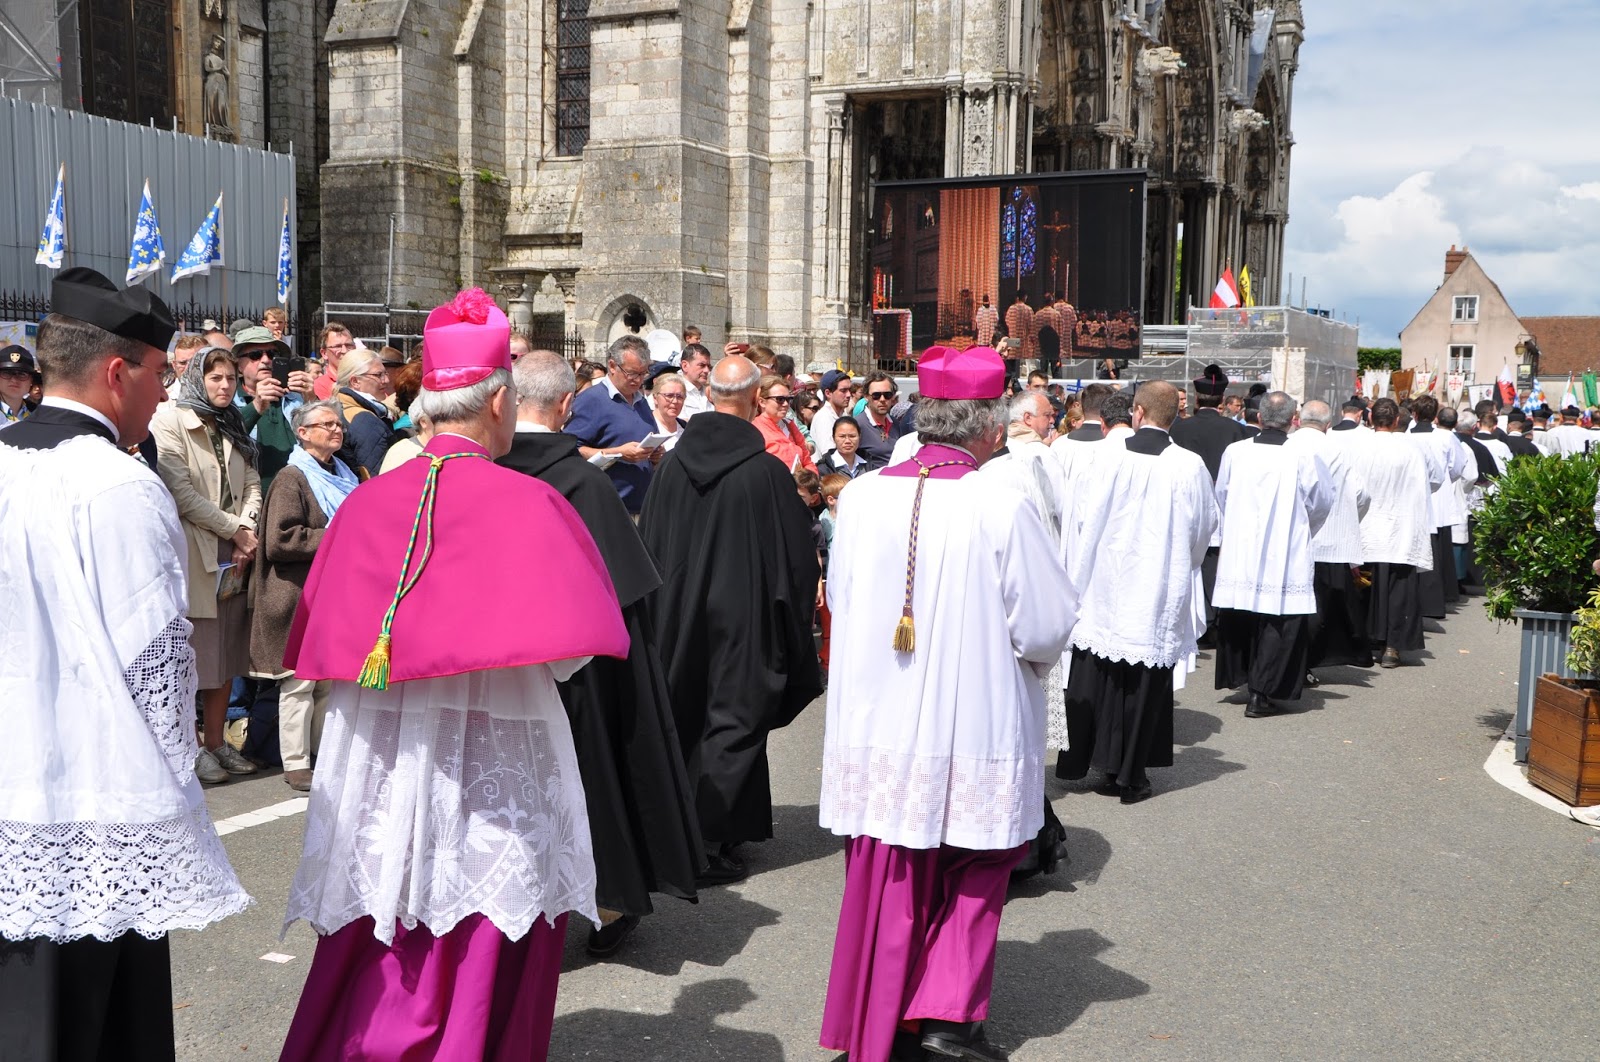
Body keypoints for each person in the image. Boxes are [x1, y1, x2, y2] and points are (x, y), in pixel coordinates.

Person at [277, 289, 629, 1060]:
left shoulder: (366, 506)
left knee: (384, 920)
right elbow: (568, 655)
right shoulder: (531, 504)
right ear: (499, 400)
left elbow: (326, 647)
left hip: (387, 770)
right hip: (493, 777)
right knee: (483, 922)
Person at [0, 267, 250, 1061]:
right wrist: (172, 782)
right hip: (93, 808)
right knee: (94, 1025)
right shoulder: (120, 484)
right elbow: (157, 671)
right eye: (160, 372)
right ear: (118, 371)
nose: (163, 392)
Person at [818, 345, 1075, 1062]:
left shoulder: (863, 495)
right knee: (977, 862)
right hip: (974, 714)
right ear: (990, 426)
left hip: (880, 718)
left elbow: (838, 598)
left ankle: (885, 1013)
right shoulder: (1001, 502)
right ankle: (945, 1019)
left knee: (893, 864)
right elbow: (1046, 625)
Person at [499, 351, 704, 959]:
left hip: (498, 666)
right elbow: (623, 596)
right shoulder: (585, 485)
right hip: (579, 670)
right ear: (567, 406)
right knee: (594, 776)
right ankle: (608, 899)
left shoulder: (483, 471)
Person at [639, 355, 823, 885]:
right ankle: (709, 837)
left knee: (687, 710)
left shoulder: (672, 464)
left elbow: (650, 541)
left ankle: (690, 828)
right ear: (751, 399)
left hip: (676, 613)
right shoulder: (765, 473)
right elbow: (793, 560)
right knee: (734, 718)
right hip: (743, 619)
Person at [1057, 380, 1216, 803]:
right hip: (1156, 583)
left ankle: (1088, 761)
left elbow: (1081, 517)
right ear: (1175, 415)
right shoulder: (1189, 465)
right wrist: (1189, 563)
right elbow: (1203, 528)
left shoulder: (1104, 459)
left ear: (1138, 413)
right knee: (1143, 679)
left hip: (1106, 580)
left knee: (1099, 672)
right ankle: (1129, 774)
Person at [150, 347, 263, 784]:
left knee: (226, 653)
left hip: (234, 551)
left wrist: (246, 530)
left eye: (231, 379)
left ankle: (216, 742)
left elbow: (252, 482)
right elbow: (180, 491)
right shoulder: (170, 420)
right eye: (216, 378)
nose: (225, 386)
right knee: (193, 656)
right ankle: (190, 746)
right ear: (198, 378)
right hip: (196, 551)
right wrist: (235, 528)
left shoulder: (232, 422)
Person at [250, 399, 357, 792]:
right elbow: (280, 540)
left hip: (332, 592)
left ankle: (323, 756)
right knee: (298, 682)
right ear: (303, 432)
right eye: (325, 424)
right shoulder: (291, 477)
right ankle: (295, 763)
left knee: (327, 679)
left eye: (338, 424)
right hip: (297, 595)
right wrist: (336, 535)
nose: (336, 430)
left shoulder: (344, 473)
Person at [1213, 392, 1333, 717]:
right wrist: (1302, 528)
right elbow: (1321, 501)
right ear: (1294, 419)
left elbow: (1221, 495)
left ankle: (1245, 680)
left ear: (1260, 418)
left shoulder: (1235, 452)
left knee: (1245, 613)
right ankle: (1261, 692)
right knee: (1276, 620)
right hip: (1284, 547)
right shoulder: (1303, 454)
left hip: (1242, 548)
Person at [1285, 400, 1374, 673]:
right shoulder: (1337, 449)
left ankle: (1293, 663)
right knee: (1321, 605)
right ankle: (1313, 660)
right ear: (1327, 425)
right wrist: (1350, 524)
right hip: (1330, 540)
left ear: (1298, 419)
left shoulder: (1287, 445)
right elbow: (1361, 494)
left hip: (1290, 538)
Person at [1359, 398, 1439, 667]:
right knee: (1398, 590)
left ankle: (1369, 641)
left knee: (1368, 590)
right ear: (1395, 421)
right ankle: (1392, 646)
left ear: (1371, 419)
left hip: (1367, 528)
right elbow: (1424, 488)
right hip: (1400, 528)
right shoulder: (1411, 449)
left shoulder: (1359, 447)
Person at [566, 336, 663, 514]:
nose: (638, 380)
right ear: (612, 366)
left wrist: (655, 454)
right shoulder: (591, 400)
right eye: (632, 373)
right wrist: (618, 453)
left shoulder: (641, 402)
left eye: (643, 374)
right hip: (608, 510)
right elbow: (571, 450)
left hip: (642, 508)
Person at [1404, 395, 1466, 618]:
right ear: (1435, 416)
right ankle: (1434, 602)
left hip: (1412, 497)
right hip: (1438, 497)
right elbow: (1458, 466)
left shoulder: (1404, 436)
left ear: (1415, 414)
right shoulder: (1446, 437)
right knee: (1436, 551)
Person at [232, 324, 313, 494]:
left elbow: (335, 435)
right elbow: (226, 436)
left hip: (300, 492)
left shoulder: (296, 396)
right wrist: (256, 406)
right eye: (255, 355)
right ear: (238, 365)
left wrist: (312, 398)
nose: (266, 360)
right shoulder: (229, 399)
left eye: (272, 354)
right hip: (252, 496)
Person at [332, 349, 400, 478]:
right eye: (378, 375)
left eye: (385, 373)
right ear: (355, 381)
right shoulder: (366, 420)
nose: (385, 380)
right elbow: (374, 477)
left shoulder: (338, 406)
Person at [755, 373, 818, 473]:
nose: (785, 404)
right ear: (762, 402)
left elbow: (807, 462)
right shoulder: (755, 430)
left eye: (788, 399)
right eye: (780, 399)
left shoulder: (790, 425)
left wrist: (810, 482)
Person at [854, 370, 903, 464]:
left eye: (887, 395)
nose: (882, 399)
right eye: (876, 395)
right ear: (866, 397)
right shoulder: (857, 425)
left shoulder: (896, 423)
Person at [310, 323, 356, 399]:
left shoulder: (368, 378)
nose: (344, 351)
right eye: (337, 346)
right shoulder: (320, 386)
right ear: (324, 353)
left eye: (348, 345)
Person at [648, 368, 690, 451]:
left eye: (679, 397)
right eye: (669, 396)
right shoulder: (645, 426)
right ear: (655, 398)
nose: (675, 401)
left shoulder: (686, 428)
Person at [811, 368, 853, 447]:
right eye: (843, 391)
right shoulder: (823, 418)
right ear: (828, 393)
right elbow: (829, 453)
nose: (848, 395)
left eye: (849, 390)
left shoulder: (843, 414)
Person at [0, 343, 40, 422]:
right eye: (7, 373)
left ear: (31, 380)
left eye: (22, 374)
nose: (14, 380)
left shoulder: (40, 415)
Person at [679, 342, 713, 418]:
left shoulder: (711, 392)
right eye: (702, 365)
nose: (707, 370)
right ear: (685, 366)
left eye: (709, 366)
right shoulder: (673, 391)